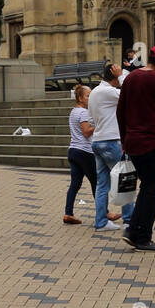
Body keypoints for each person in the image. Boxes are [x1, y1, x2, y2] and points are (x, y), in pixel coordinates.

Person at [116, 42, 155, 251]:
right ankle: (141, 236)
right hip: (151, 141)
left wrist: (124, 140)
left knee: (146, 188)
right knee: (151, 190)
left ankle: (133, 230)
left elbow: (120, 111)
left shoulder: (131, 77)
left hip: (133, 142)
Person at [87, 62, 129, 231]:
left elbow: (90, 121)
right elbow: (130, 93)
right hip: (111, 141)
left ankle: (101, 222)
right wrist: (121, 76)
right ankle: (129, 220)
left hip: (97, 141)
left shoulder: (95, 92)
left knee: (102, 184)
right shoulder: (108, 91)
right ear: (113, 76)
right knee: (125, 180)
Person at [63, 84, 97, 223]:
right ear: (80, 98)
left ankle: (68, 213)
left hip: (73, 151)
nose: (91, 98)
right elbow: (86, 132)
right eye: (88, 96)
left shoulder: (74, 111)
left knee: (75, 184)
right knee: (97, 183)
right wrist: (99, 124)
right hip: (84, 151)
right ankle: (104, 212)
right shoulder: (83, 113)